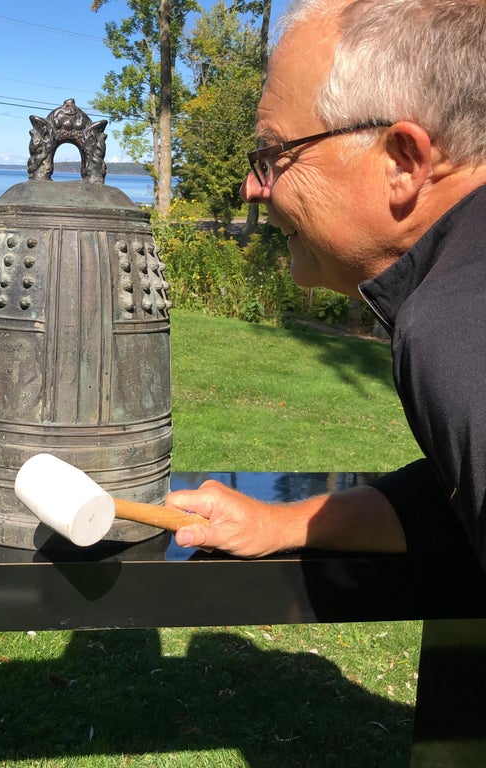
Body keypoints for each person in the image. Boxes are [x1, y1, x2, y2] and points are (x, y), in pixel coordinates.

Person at [166, 0, 486, 571]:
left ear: (402, 161)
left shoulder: (458, 323)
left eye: (273, 153)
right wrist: (280, 522)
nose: (251, 188)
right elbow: (456, 494)